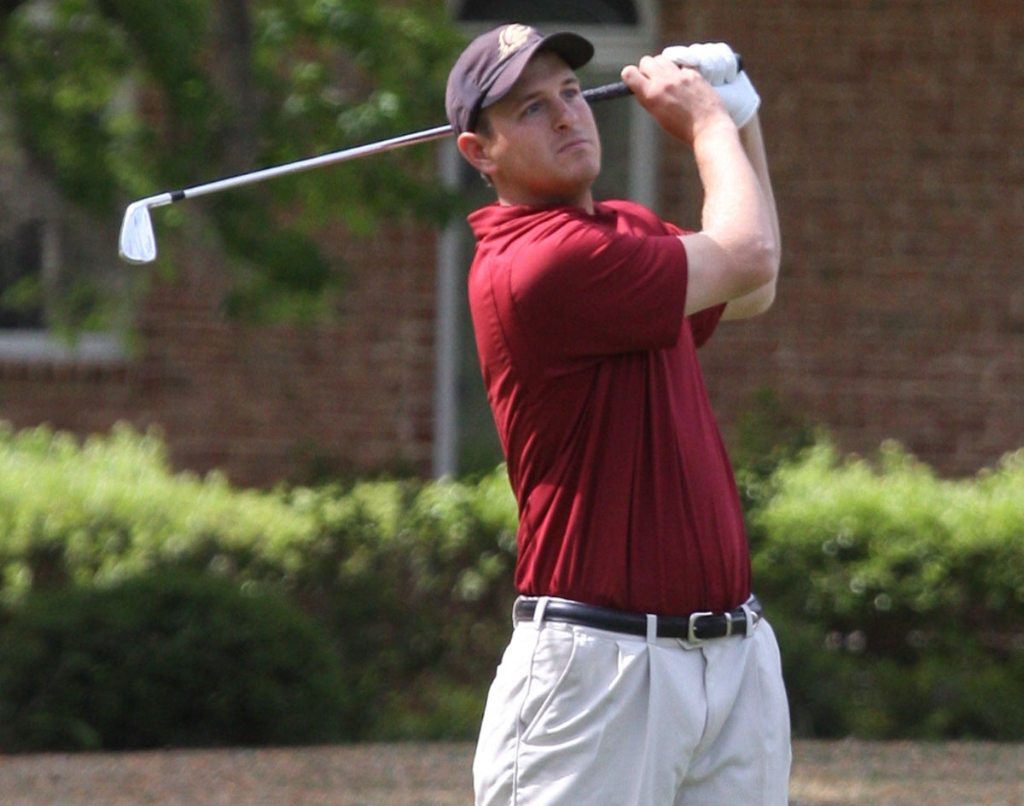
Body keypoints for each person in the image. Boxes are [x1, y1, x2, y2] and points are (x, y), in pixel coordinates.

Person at [445, 22, 790, 806]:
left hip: (733, 659)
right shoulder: (538, 262)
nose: (568, 114)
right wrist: (707, 122)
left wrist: (739, 114)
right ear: (479, 152)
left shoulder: (623, 228)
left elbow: (753, 286)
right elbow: (749, 254)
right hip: (597, 671)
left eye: (571, 91)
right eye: (532, 109)